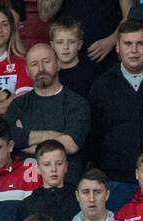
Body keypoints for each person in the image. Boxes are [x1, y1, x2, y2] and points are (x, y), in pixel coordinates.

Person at [85, 21, 143, 208]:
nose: (134, 50)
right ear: (118, 47)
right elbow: (93, 136)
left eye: (140, 43)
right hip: (116, 181)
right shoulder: (102, 85)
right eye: (128, 44)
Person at [6, 44, 90, 181]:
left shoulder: (77, 103)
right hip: (25, 186)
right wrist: (54, 135)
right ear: (27, 71)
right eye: (34, 64)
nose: (41, 69)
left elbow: (70, 145)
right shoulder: (18, 105)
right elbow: (8, 141)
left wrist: (24, 143)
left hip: (66, 185)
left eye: (46, 61)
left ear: (58, 64)